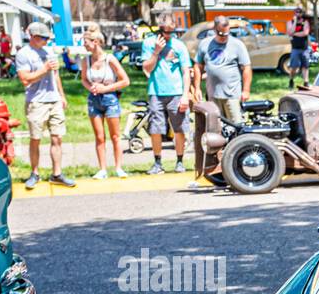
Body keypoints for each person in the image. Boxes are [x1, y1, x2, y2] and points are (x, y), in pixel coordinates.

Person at [14, 22, 74, 189]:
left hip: (53, 99)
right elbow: (25, 79)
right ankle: (35, 173)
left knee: (57, 137)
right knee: (35, 139)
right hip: (36, 101)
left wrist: (61, 95)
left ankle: (57, 174)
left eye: (48, 38)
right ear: (33, 37)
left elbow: (56, 76)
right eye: (44, 38)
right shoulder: (23, 54)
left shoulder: (49, 52)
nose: (47, 41)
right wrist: (44, 68)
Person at [141, 14, 192, 174]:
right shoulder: (149, 43)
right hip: (156, 92)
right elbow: (147, 68)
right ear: (159, 29)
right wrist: (156, 51)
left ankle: (179, 161)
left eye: (172, 31)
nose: (168, 35)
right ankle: (157, 163)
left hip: (177, 93)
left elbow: (186, 72)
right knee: (156, 128)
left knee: (179, 128)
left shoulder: (179, 45)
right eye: (165, 31)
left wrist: (185, 95)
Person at [80, 25, 130, 179]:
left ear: (95, 42)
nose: (84, 45)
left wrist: (105, 88)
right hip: (93, 100)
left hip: (110, 99)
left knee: (115, 136)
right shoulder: (85, 60)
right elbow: (83, 80)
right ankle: (102, 169)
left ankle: (118, 168)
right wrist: (91, 88)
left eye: (86, 42)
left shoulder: (110, 59)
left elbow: (125, 81)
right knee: (99, 137)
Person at [193, 16, 251, 124]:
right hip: (213, 94)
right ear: (214, 29)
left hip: (232, 94)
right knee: (215, 126)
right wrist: (197, 88)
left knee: (236, 124)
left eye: (226, 34)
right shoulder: (205, 44)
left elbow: (246, 68)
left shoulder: (237, 45)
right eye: (221, 34)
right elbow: (198, 66)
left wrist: (246, 90)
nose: (224, 37)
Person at [288, 8, 312, 88]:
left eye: (299, 12)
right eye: (296, 13)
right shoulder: (290, 22)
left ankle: (306, 82)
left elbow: (305, 33)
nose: (297, 14)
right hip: (295, 48)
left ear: (301, 13)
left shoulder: (305, 22)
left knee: (305, 66)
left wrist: (294, 33)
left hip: (304, 48)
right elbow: (290, 32)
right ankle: (291, 80)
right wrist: (294, 22)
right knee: (293, 67)